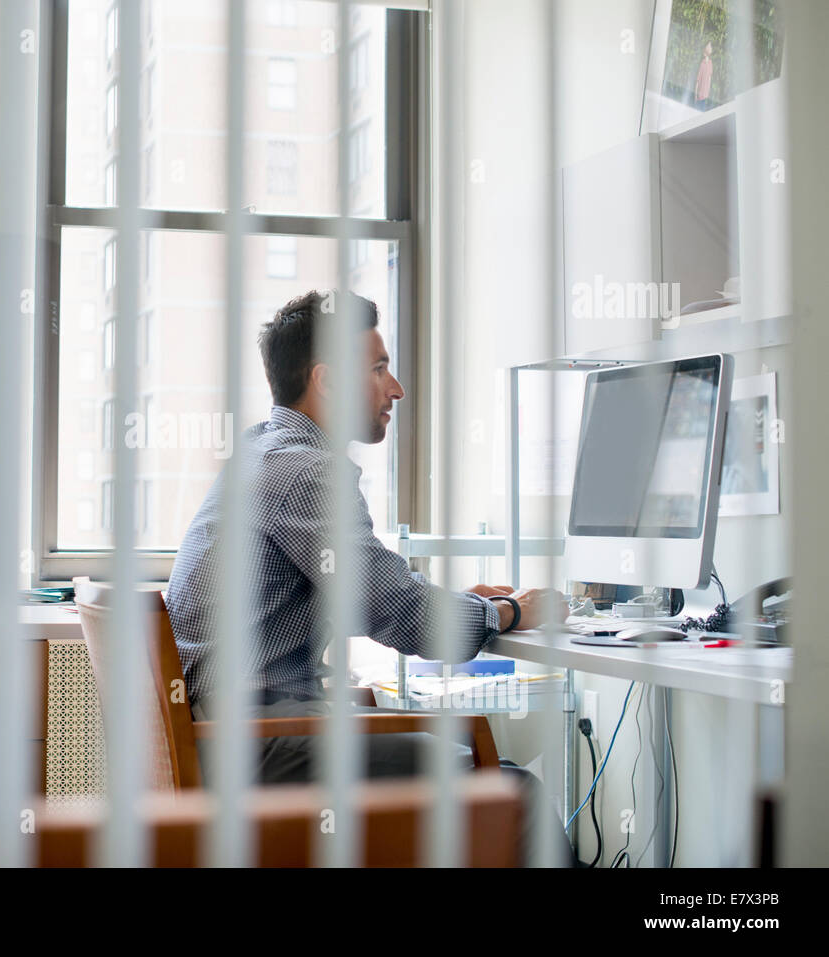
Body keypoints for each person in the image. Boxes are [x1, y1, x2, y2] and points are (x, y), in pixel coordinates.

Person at [165, 289, 572, 865]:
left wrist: (461, 602)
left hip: (240, 729)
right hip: (257, 744)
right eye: (379, 368)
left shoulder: (262, 453)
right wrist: (512, 612)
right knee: (511, 790)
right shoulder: (304, 471)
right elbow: (404, 619)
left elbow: (370, 593)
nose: (396, 389)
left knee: (468, 756)